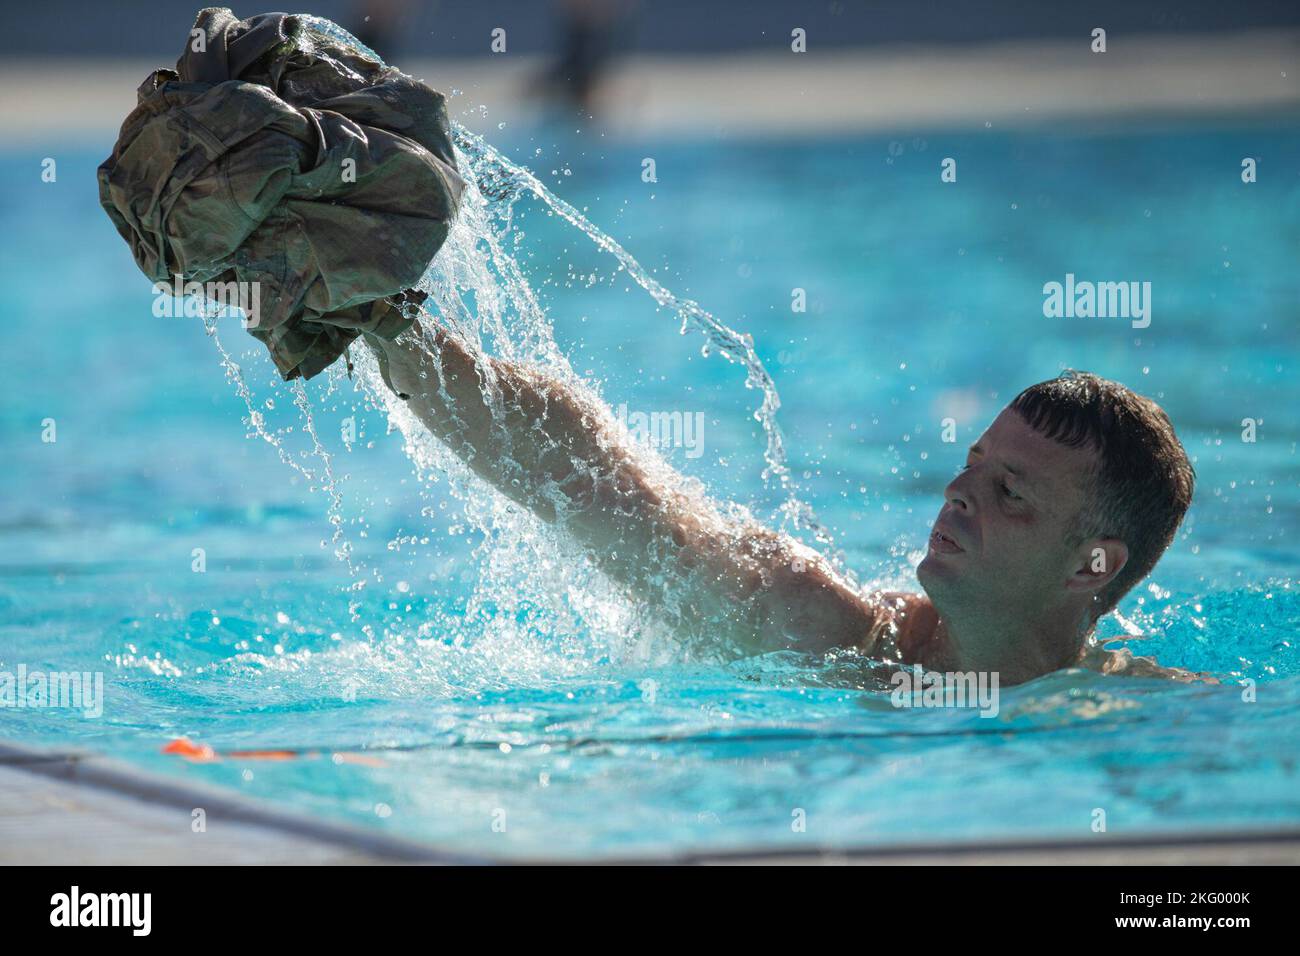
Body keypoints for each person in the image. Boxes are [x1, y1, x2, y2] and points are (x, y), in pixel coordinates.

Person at [364, 319, 1210, 686]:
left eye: (1009, 493)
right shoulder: (823, 633)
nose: (957, 494)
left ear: (1092, 565)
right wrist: (387, 322)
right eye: (972, 464)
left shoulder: (1145, 711)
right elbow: (587, 473)